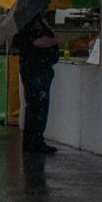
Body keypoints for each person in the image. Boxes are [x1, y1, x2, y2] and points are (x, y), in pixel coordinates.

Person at [13, 14, 63, 154]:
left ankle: (34, 140)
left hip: (39, 67)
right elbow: (37, 41)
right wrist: (55, 40)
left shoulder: (35, 21)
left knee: (37, 106)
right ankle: (33, 142)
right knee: (37, 106)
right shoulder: (30, 22)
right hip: (35, 68)